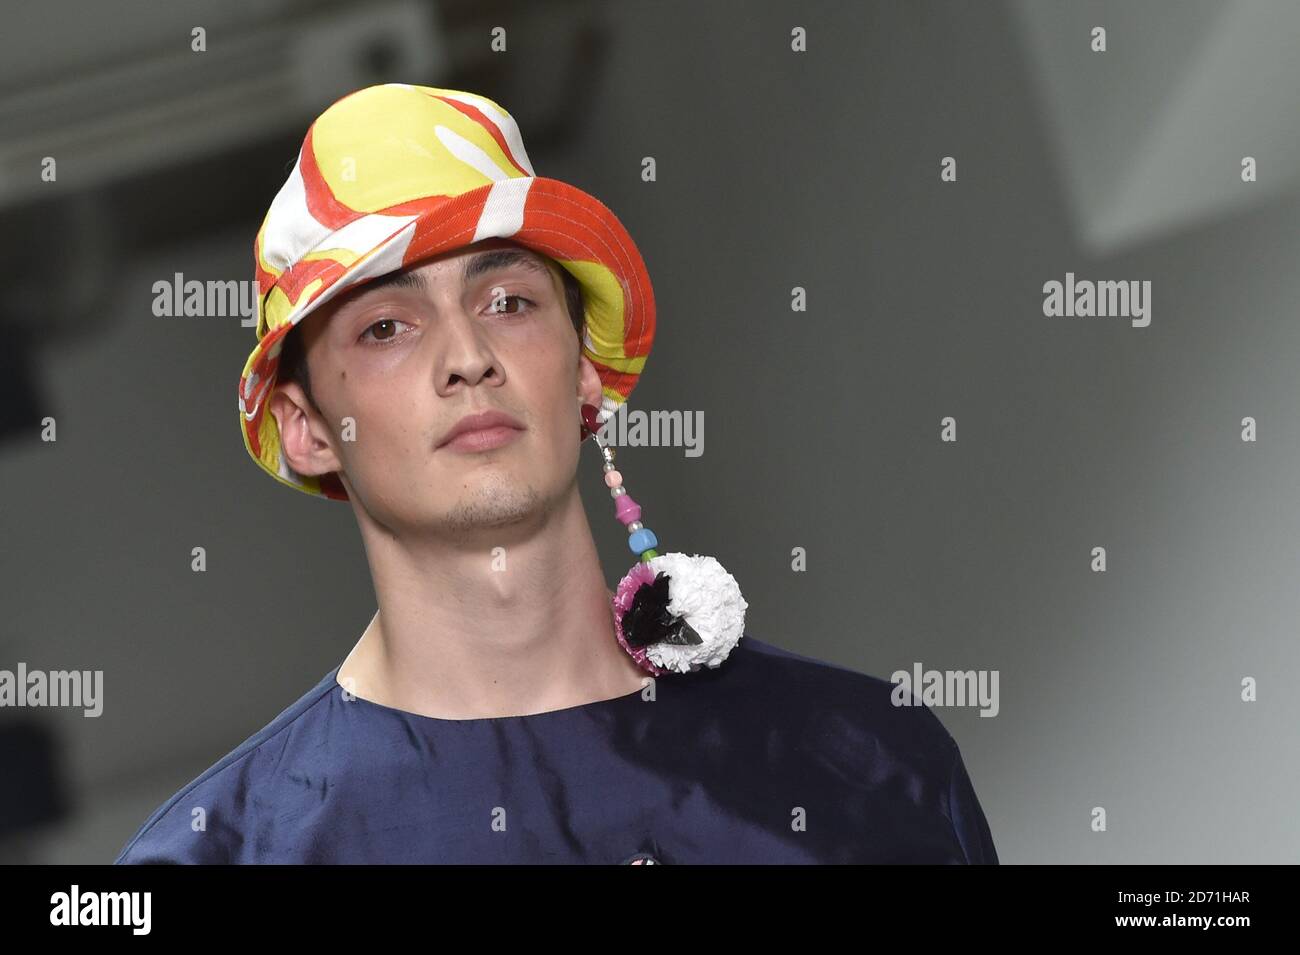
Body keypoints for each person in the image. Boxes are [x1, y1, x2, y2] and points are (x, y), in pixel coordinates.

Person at [113, 83, 997, 864]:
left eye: (508, 301)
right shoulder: (227, 852)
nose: (468, 356)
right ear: (307, 430)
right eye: (386, 325)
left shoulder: (869, 760)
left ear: (582, 372)